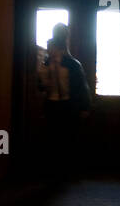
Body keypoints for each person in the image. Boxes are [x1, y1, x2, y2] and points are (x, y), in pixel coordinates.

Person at [37, 23, 90, 179]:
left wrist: (84, 106)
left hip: (67, 105)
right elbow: (41, 85)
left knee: (66, 139)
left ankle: (65, 172)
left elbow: (81, 86)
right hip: (53, 104)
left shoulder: (72, 64)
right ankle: (54, 171)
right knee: (53, 139)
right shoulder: (47, 64)